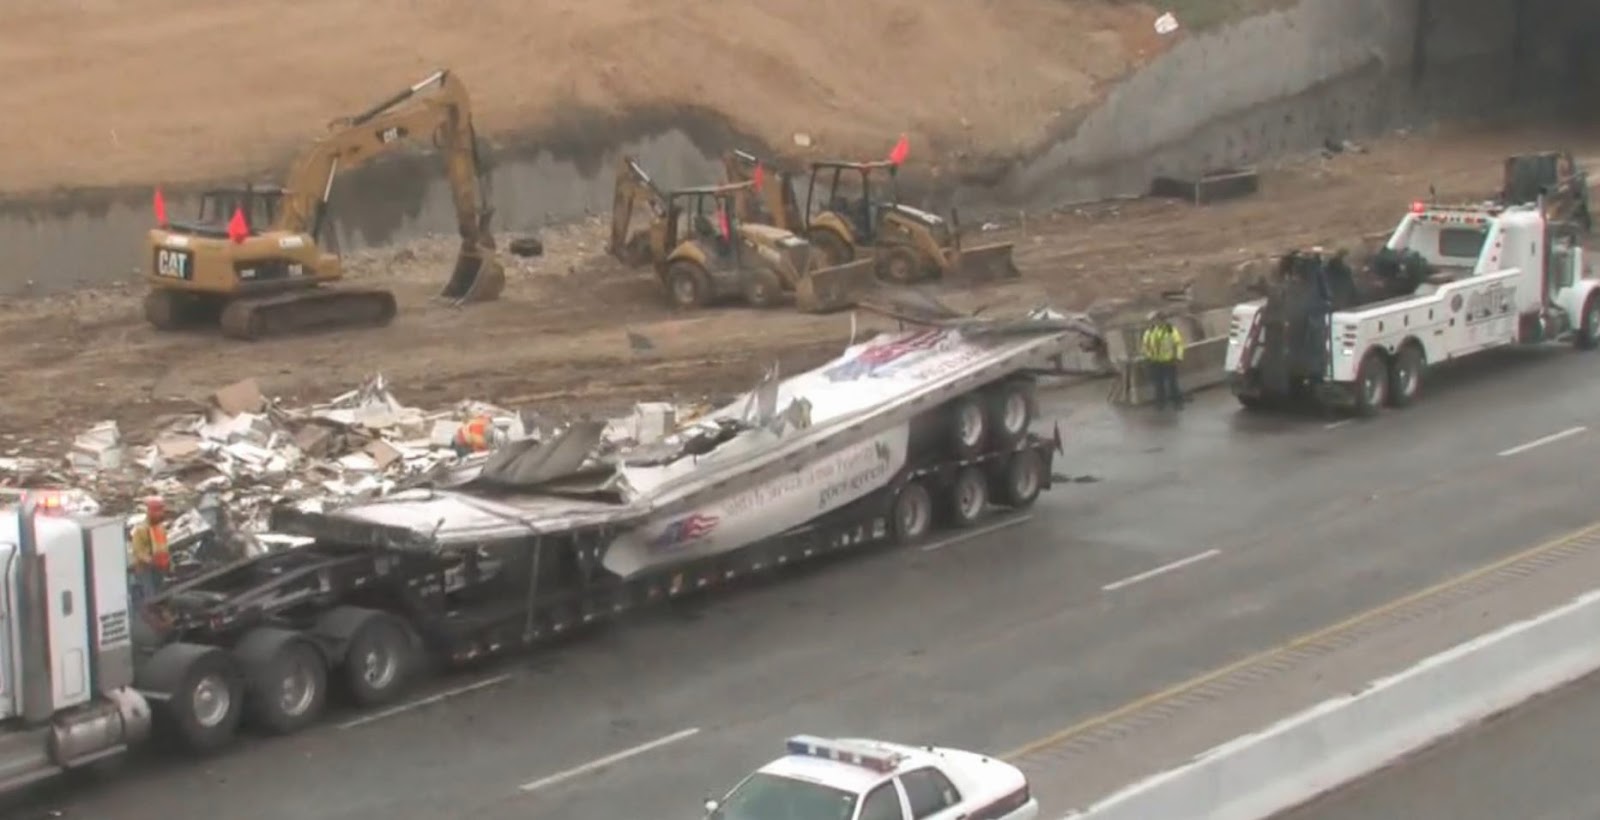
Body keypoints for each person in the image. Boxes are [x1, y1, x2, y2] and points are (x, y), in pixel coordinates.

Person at [129, 497, 171, 603]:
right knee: (150, 596)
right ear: (150, 512)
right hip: (145, 569)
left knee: (160, 594)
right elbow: (138, 552)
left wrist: (168, 562)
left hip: (160, 568)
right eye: (157, 511)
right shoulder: (140, 530)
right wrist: (151, 561)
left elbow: (164, 547)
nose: (161, 514)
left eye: (161, 510)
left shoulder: (160, 528)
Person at [1141, 313, 1186, 410]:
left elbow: (1178, 344)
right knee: (1158, 384)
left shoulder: (1170, 331)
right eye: (1155, 320)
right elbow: (1145, 346)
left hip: (1169, 360)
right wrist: (1148, 357)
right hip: (1155, 361)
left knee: (1172, 383)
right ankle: (1160, 403)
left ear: (1163, 320)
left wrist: (1178, 357)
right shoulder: (1150, 331)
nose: (1157, 322)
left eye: (1159, 320)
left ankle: (1177, 402)